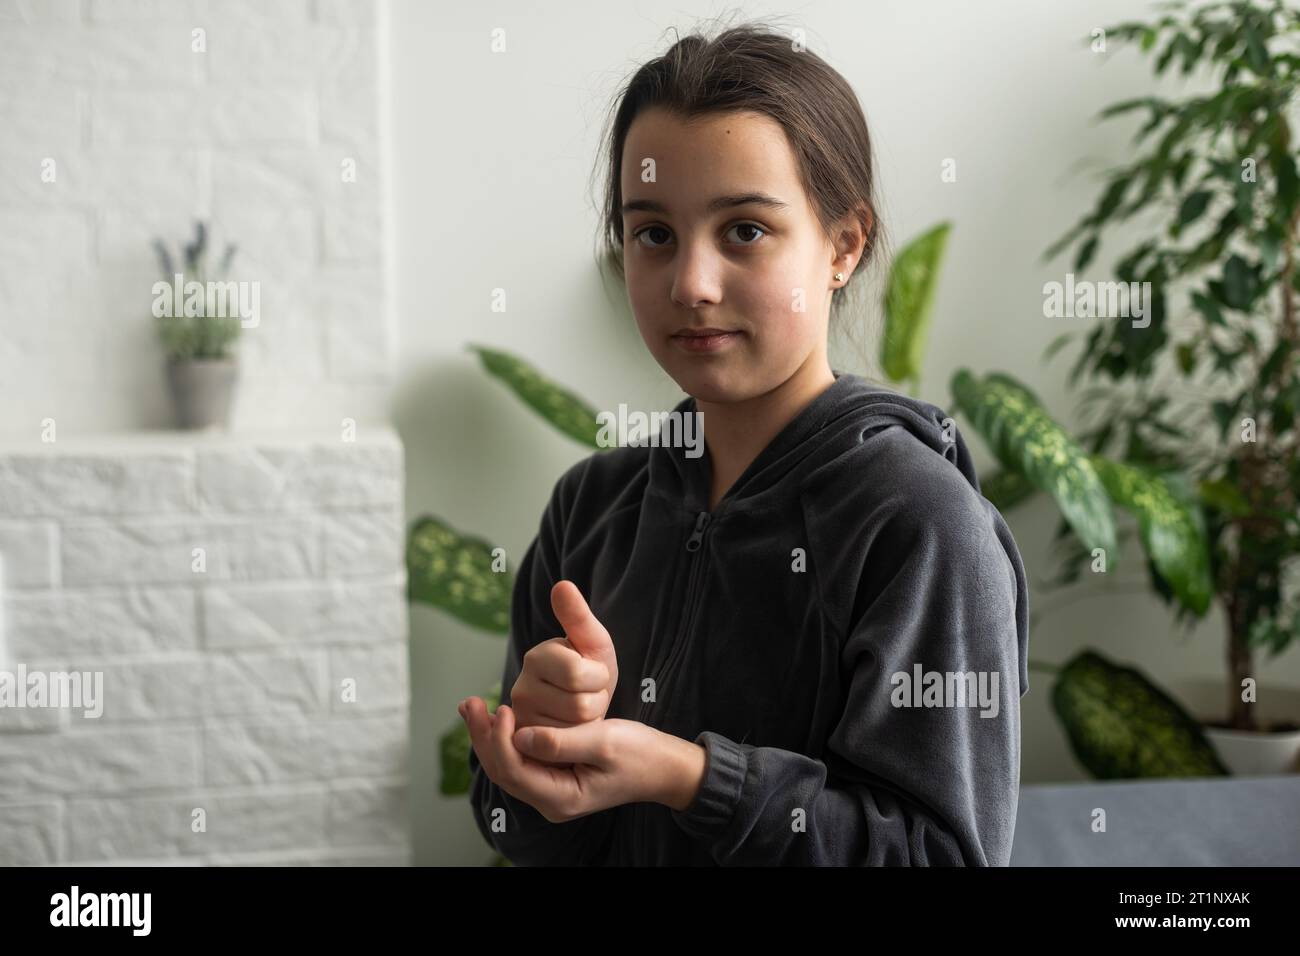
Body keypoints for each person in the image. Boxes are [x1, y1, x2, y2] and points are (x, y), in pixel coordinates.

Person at [458, 19, 1029, 866]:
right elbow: (516, 831)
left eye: (745, 231)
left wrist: (692, 779)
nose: (690, 283)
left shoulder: (922, 527)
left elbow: (939, 855)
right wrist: (536, 752)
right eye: (653, 233)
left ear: (843, 244)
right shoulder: (591, 505)